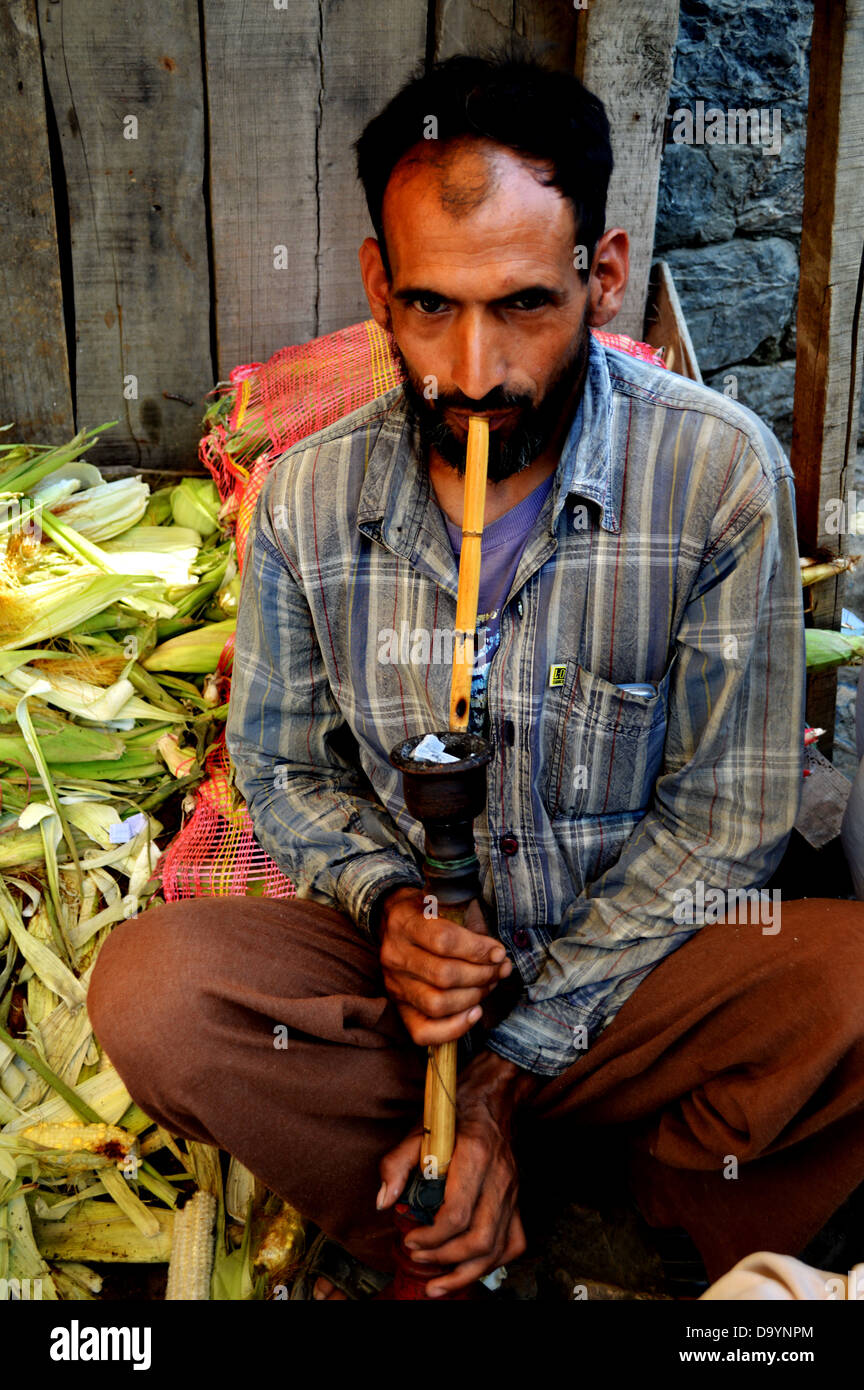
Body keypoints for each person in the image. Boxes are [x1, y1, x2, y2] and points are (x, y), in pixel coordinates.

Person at [88, 54, 864, 1300]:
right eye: (430, 308)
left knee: (852, 989)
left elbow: (727, 819)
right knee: (155, 993)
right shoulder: (305, 500)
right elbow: (287, 769)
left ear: (603, 278)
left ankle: (627, 1209)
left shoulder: (718, 474)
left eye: (524, 307)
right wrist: (393, 909)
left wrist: (506, 1076)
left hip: (638, 980)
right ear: (376, 288)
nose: (473, 371)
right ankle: (445, 1223)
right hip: (410, 1006)